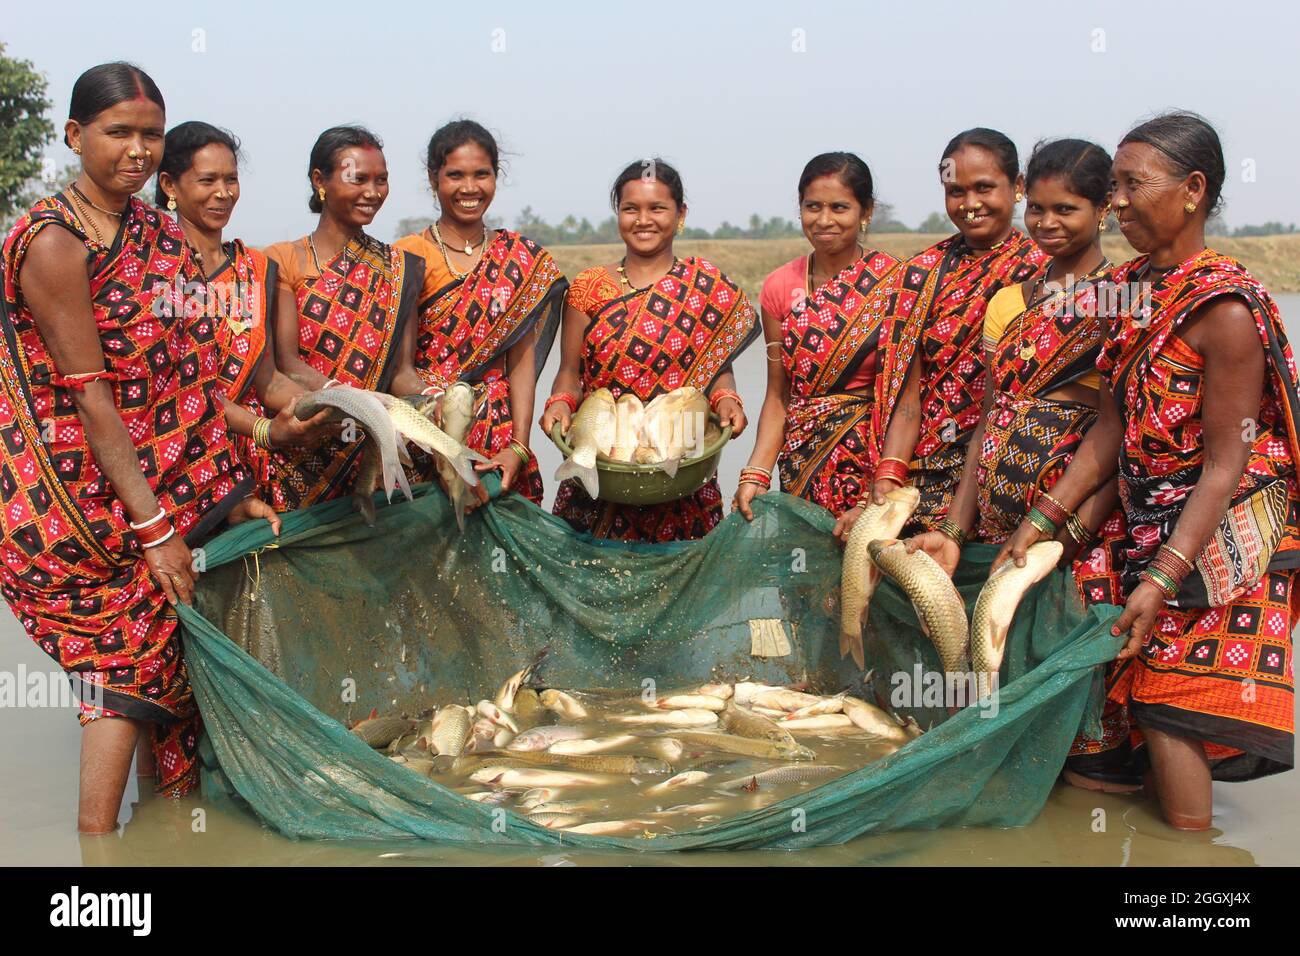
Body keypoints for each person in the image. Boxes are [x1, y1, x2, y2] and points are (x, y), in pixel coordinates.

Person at [995, 112, 1300, 829]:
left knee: (1173, 711)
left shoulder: (1224, 308)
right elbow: (1112, 424)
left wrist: (1163, 576)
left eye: (1133, 186)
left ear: (1193, 190)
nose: (1118, 203)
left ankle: (1187, 878)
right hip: (1146, 519)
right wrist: (1045, 519)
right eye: (1114, 188)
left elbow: (1229, 461)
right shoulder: (1127, 289)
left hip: (1222, 539)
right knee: (1119, 700)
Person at [0, 63, 278, 832]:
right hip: (73, 514)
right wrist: (155, 531)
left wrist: (229, 488)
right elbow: (92, 395)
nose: (138, 150)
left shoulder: (160, 234)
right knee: (118, 677)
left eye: (151, 134)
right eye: (119, 132)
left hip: (162, 492)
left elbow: (186, 373)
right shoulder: (52, 243)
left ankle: (165, 835)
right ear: (74, 135)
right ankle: (100, 856)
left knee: (170, 675)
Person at [840, 129, 1047, 540]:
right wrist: (887, 483)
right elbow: (907, 400)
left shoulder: (1044, 274)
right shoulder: (919, 274)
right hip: (924, 478)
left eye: (984, 188)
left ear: (1018, 187)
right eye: (956, 191)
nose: (970, 205)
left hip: (1003, 478)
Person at [540, 158, 755, 541]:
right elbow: (570, 374)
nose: (643, 220)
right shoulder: (589, 287)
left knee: (684, 592)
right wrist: (559, 402)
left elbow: (717, 364)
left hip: (680, 458)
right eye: (630, 209)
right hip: (605, 462)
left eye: (657, 208)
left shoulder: (703, 285)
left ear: (680, 213)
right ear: (617, 214)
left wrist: (726, 398)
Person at [155, 121, 336, 509]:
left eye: (231, 179)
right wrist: (265, 429)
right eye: (207, 180)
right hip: (175, 461)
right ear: (170, 186)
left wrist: (328, 404)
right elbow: (171, 392)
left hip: (247, 463)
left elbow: (268, 381)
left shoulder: (253, 268)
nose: (223, 193)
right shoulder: (155, 270)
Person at [395, 120, 567, 511]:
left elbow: (521, 362)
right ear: (433, 178)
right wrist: (439, 414)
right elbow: (398, 368)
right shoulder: (407, 257)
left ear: (496, 176)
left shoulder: (520, 259)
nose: (469, 188)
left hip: (499, 438)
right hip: (428, 435)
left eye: (481, 175)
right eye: (455, 175)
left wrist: (519, 447)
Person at [263, 126, 427, 511]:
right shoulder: (284, 260)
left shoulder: (401, 269)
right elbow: (285, 362)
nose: (373, 192)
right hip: (305, 447)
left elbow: (403, 373)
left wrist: (432, 400)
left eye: (381, 180)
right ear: (320, 181)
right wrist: (349, 399)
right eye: (358, 179)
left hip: (376, 448)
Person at [734, 152, 901, 520]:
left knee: (867, 572)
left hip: (875, 472)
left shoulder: (896, 284)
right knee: (804, 573)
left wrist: (886, 479)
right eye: (813, 206)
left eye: (840, 207)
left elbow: (904, 402)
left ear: (866, 211)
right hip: (802, 467)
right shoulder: (780, 286)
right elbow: (779, 395)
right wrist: (757, 472)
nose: (824, 220)